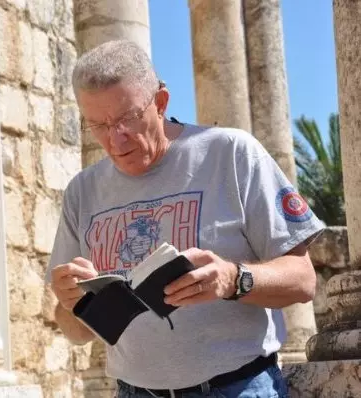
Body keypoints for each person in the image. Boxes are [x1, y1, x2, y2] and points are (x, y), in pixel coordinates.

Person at [46, 39, 324, 398]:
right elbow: (77, 332)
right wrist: (72, 305)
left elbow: (303, 281)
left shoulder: (231, 153)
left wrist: (232, 279)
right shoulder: (82, 191)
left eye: (127, 118)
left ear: (160, 102)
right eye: (98, 125)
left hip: (236, 387)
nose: (116, 139)